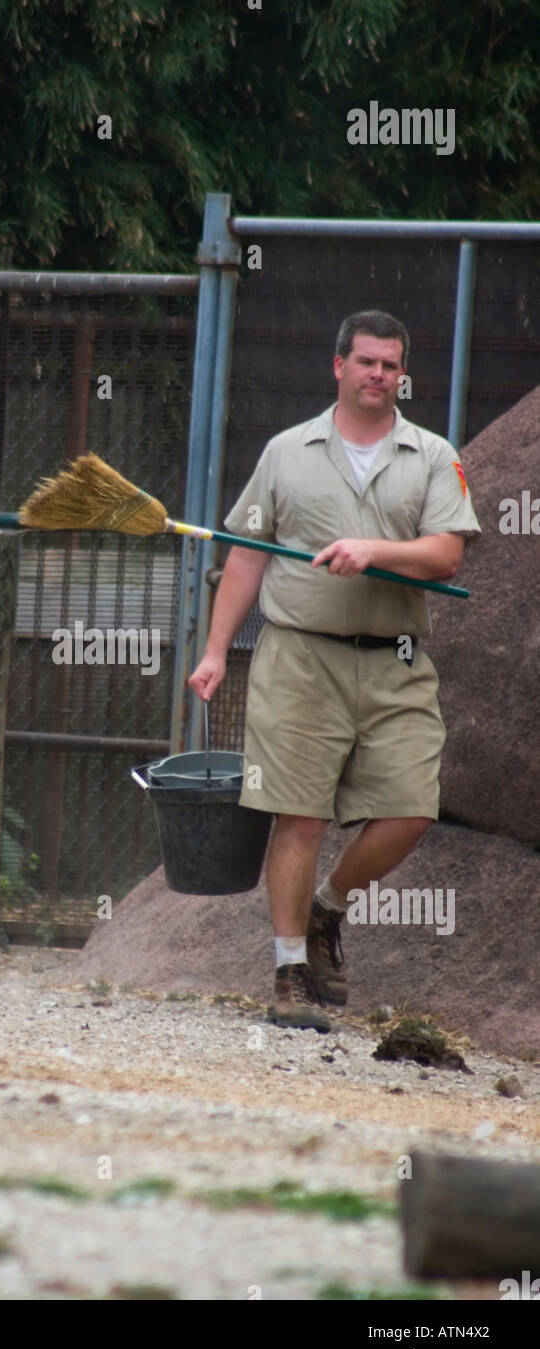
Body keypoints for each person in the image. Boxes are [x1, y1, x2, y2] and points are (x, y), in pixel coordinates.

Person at [188, 310, 481, 1032]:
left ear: (402, 373)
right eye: (367, 362)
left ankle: (328, 908)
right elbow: (246, 552)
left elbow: (446, 554)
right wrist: (216, 650)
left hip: (397, 658)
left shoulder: (433, 455)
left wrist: (375, 550)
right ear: (339, 366)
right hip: (300, 652)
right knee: (300, 813)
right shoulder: (287, 453)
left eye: (391, 364)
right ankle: (289, 971)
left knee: (413, 808)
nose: (379, 374)